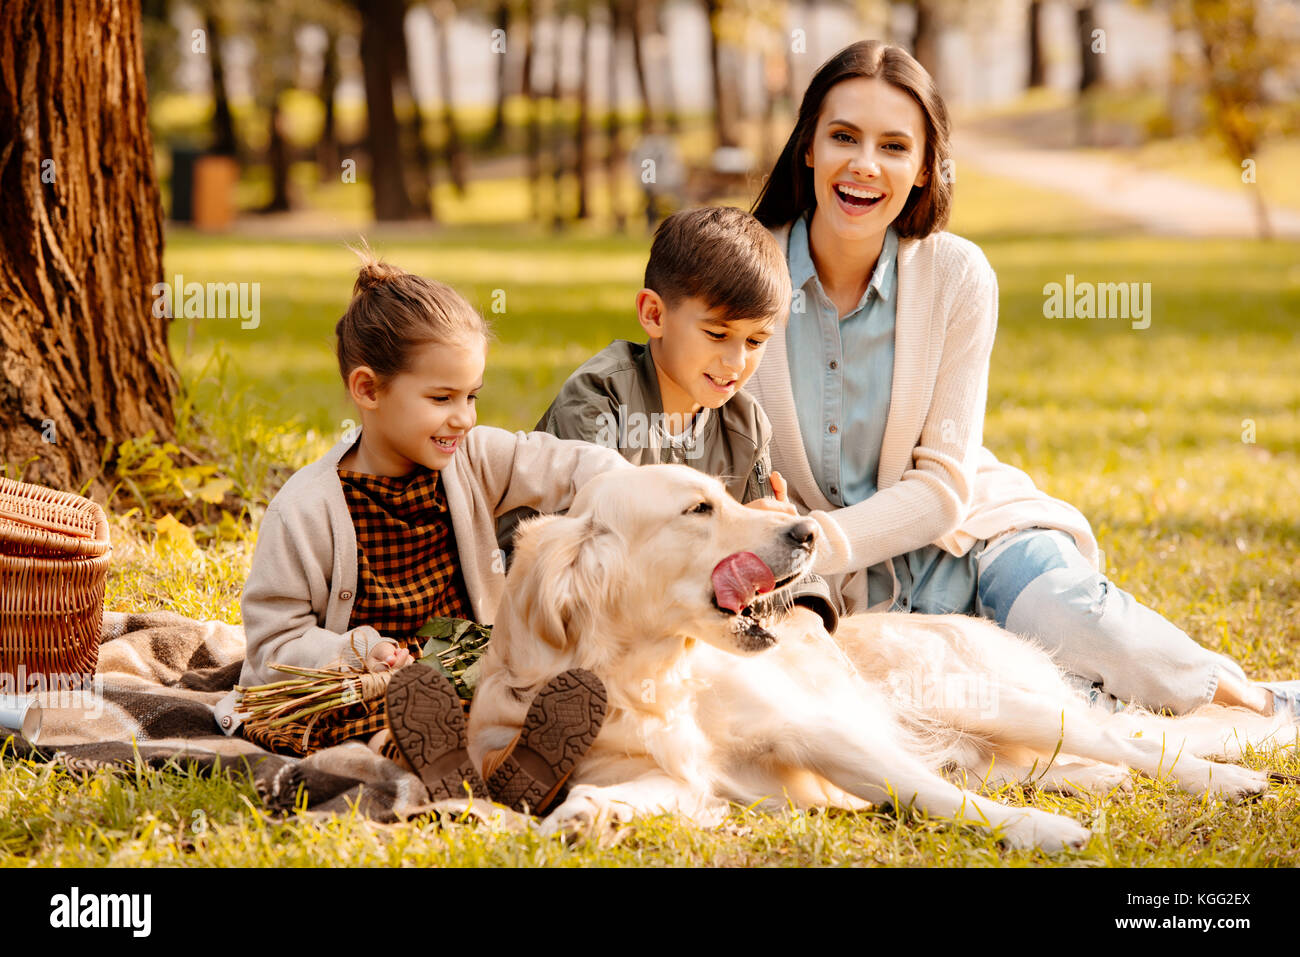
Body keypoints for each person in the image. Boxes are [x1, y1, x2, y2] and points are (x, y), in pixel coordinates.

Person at [747, 39, 1298, 717]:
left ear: (923, 169)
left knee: (1090, 633)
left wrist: (813, 543)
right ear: (808, 147)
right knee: (1050, 716)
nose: (864, 165)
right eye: (843, 137)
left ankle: (1268, 707)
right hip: (839, 592)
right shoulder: (746, 271)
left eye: (894, 146)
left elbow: (945, 487)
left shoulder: (956, 275)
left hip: (974, 544)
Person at [213, 250, 629, 813]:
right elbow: (271, 645)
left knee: (525, 679)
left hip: (462, 664)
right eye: (442, 399)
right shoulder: (305, 510)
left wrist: (633, 489)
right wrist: (355, 651)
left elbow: (564, 464)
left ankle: (505, 763)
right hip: (365, 689)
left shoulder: (475, 459)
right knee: (389, 713)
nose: (464, 417)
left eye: (471, 396)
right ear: (368, 389)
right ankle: (463, 766)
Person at [520, 205, 841, 631]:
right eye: (717, 334)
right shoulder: (601, 401)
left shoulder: (745, 424)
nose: (736, 361)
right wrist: (734, 538)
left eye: (756, 340)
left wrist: (770, 544)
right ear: (654, 314)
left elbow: (766, 558)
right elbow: (591, 562)